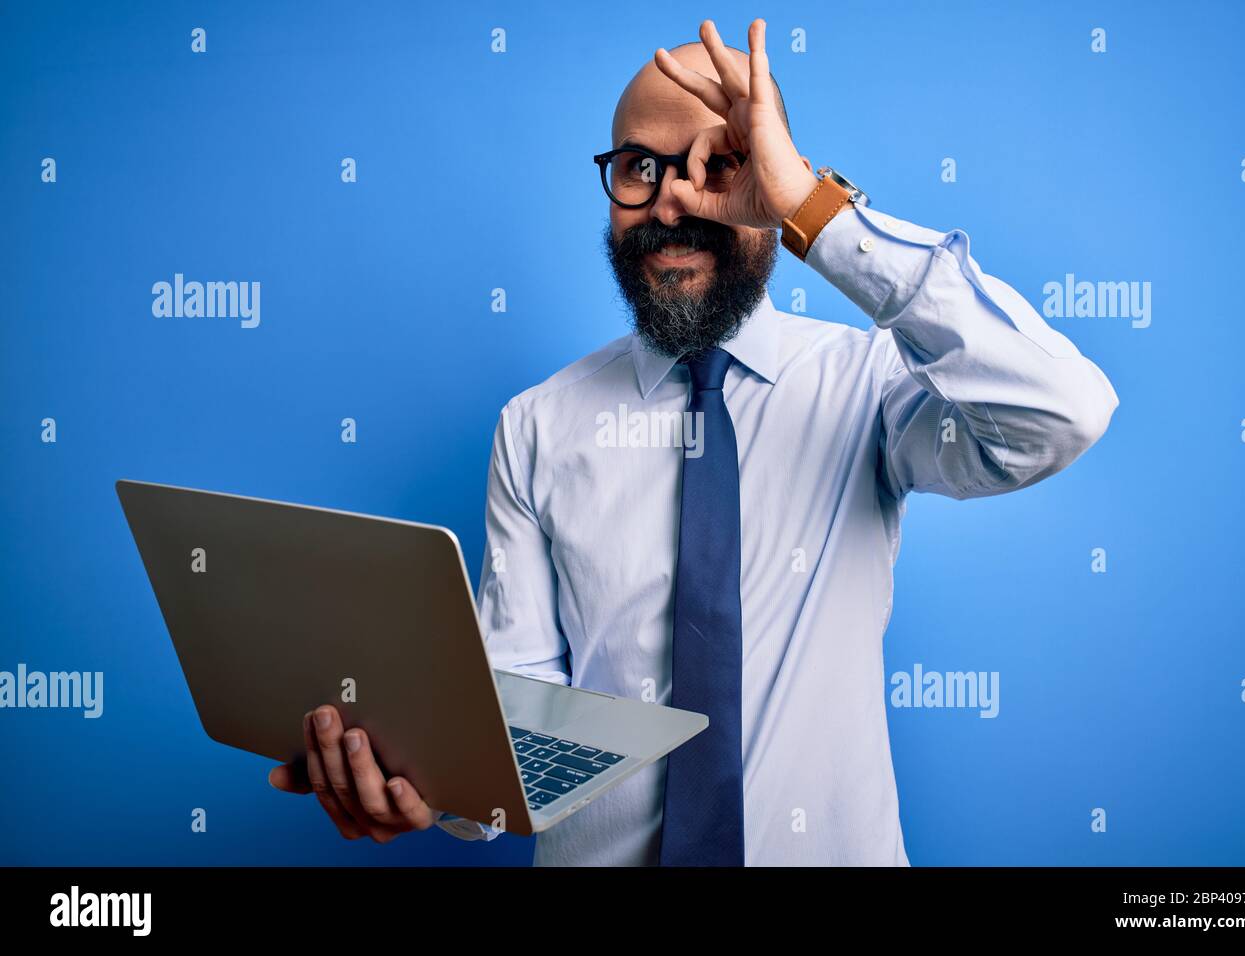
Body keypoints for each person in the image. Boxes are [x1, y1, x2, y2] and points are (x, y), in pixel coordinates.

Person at [271, 18, 1118, 866]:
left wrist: (812, 211)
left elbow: (1061, 410)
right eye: (639, 167)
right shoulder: (537, 425)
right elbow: (517, 726)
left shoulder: (870, 389)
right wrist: (435, 784)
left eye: (718, 164)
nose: (672, 201)